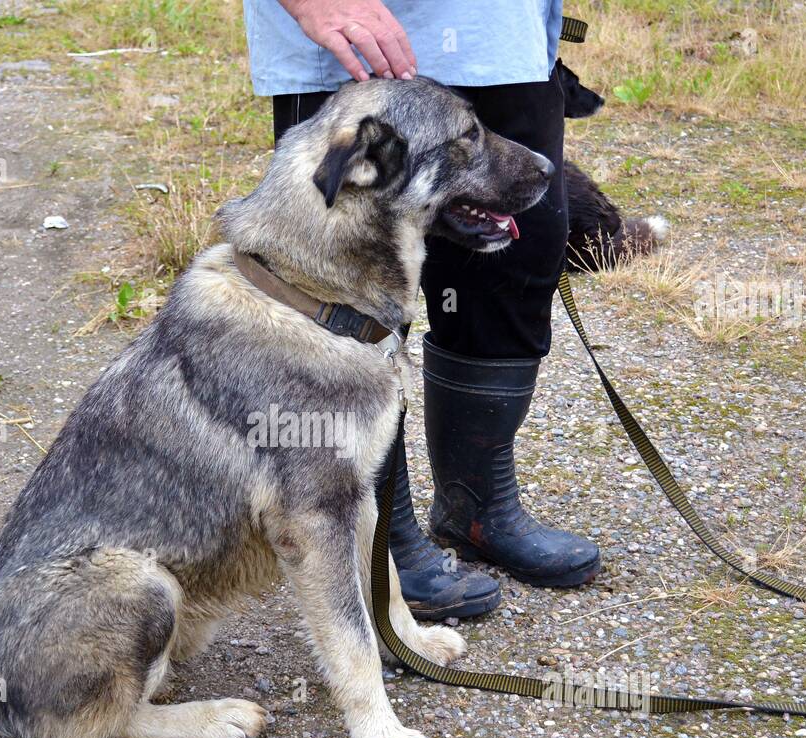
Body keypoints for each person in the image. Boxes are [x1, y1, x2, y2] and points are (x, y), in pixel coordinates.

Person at [242, 1, 601, 620]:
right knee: (349, 281)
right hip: (359, 34)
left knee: (520, 249)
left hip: (501, 30)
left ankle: (477, 506)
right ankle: (382, 544)